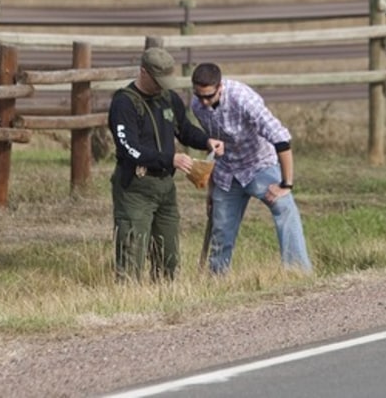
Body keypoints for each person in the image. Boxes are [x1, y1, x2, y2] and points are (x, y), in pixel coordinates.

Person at [107, 47, 224, 282]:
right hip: (135, 187)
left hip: (165, 187)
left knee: (168, 254)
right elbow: (128, 148)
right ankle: (128, 301)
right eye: (158, 80)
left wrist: (206, 141)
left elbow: (184, 129)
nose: (162, 85)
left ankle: (163, 294)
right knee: (132, 252)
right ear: (143, 72)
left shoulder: (168, 98)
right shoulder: (124, 103)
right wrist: (169, 159)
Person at [189, 63, 312, 274]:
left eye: (209, 96)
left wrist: (286, 184)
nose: (204, 102)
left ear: (220, 87)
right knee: (221, 228)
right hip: (227, 170)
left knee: (284, 207)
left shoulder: (244, 100)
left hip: (259, 164)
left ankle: (297, 272)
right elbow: (215, 147)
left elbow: (281, 139)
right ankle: (215, 281)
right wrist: (211, 190)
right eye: (199, 96)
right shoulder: (197, 106)